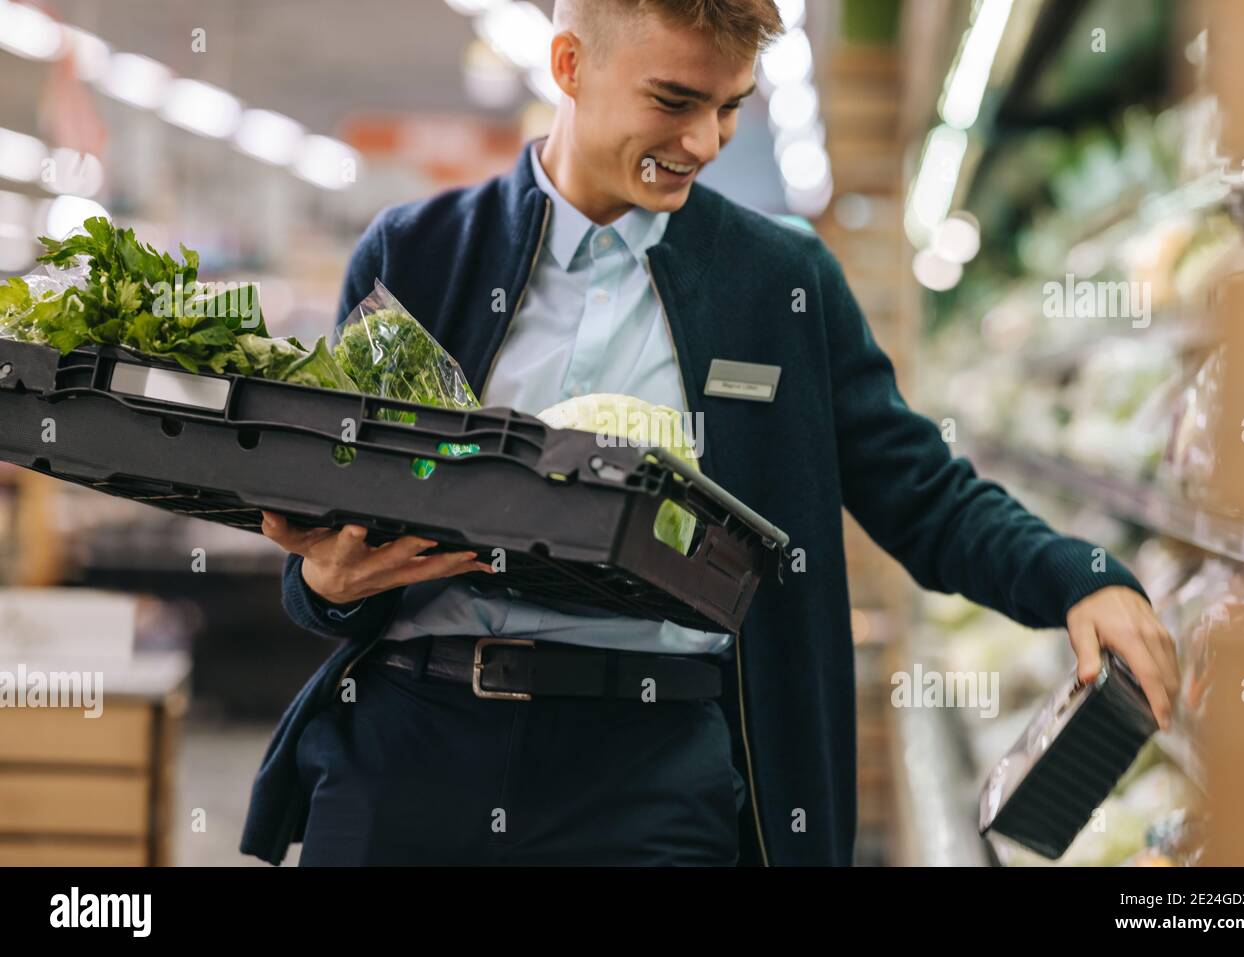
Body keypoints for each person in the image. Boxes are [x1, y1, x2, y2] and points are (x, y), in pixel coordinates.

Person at [245, 0, 1180, 867]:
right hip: (414, 746)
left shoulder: (779, 282)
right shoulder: (418, 252)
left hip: (652, 775)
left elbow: (919, 489)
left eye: (730, 107)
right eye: (674, 100)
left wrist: (1076, 577)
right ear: (569, 65)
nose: (702, 142)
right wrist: (324, 584)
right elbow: (331, 535)